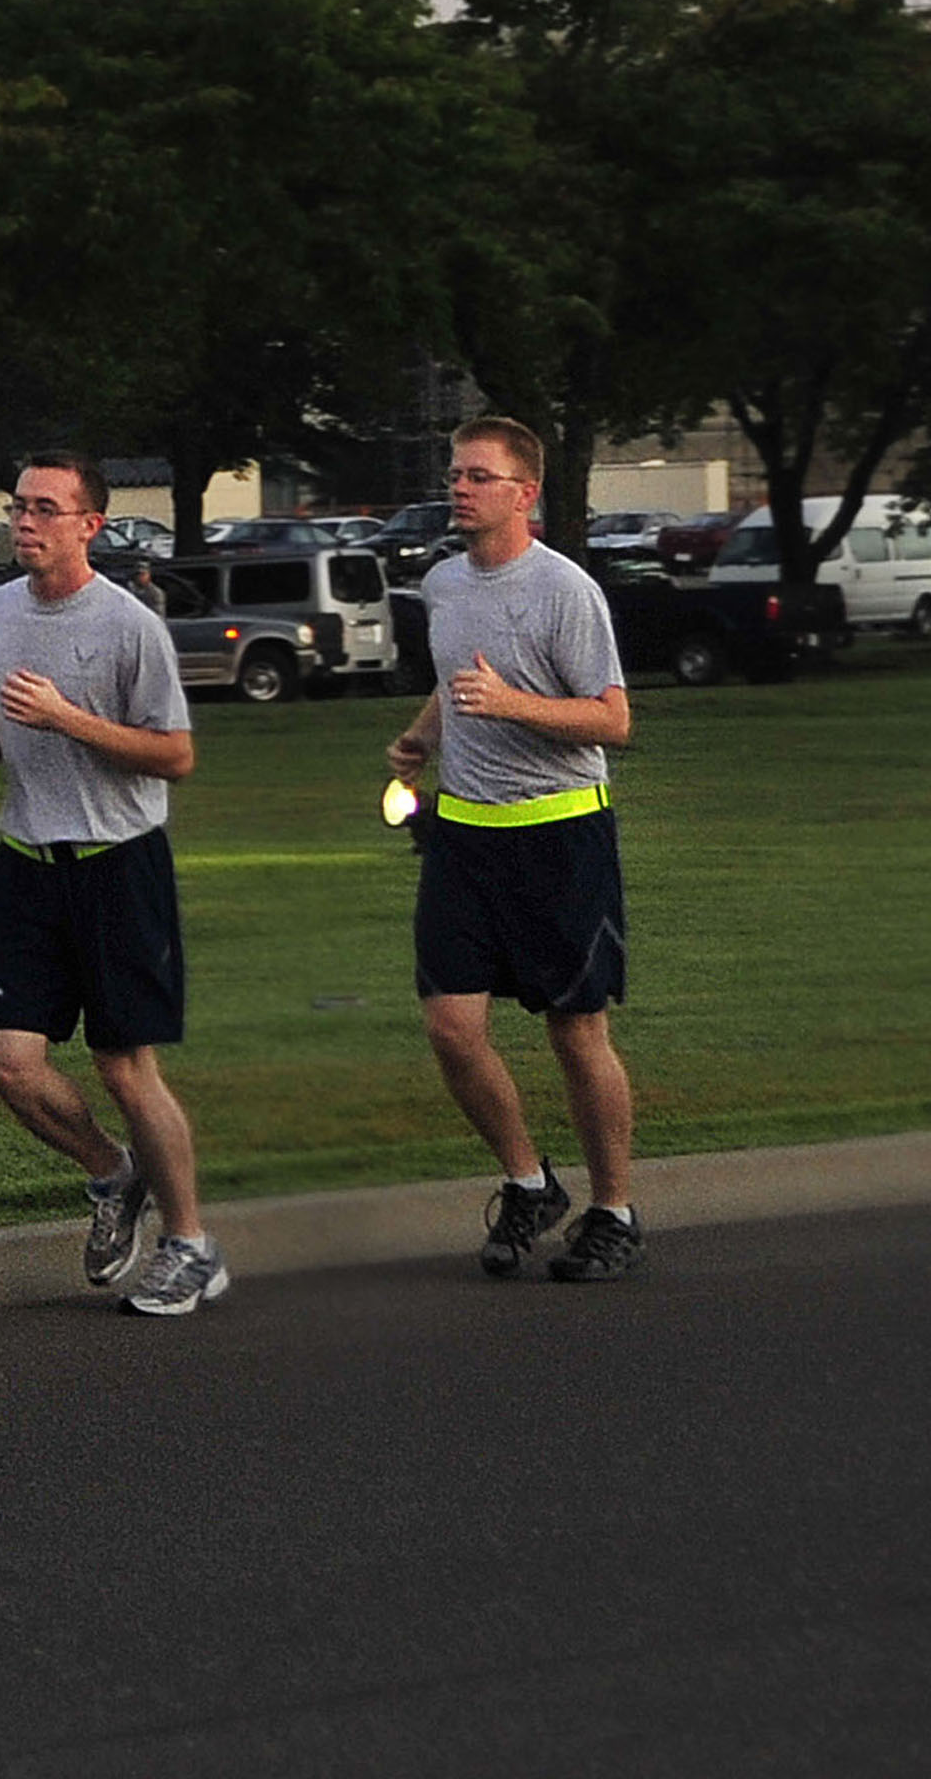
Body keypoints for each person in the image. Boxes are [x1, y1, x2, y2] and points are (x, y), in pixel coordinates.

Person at [0, 452, 223, 1314]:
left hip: (118, 865)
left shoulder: (129, 625)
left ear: (88, 526)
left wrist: (69, 719)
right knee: (9, 1063)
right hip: (25, 862)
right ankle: (112, 1172)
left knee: (124, 1066)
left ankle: (191, 1244)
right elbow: (0, 700)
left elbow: (175, 755)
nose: (24, 523)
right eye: (17, 507)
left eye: (45, 510)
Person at [385, 417, 643, 1282]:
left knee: (577, 1031)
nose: (460, 488)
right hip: (464, 834)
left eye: (479, 476)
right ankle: (530, 1182)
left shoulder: (565, 591)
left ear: (524, 492)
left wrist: (512, 704)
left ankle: (614, 1211)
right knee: (451, 1027)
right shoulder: (444, 585)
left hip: (561, 834)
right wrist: (424, 734)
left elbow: (612, 719)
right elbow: (461, 679)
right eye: (455, 474)